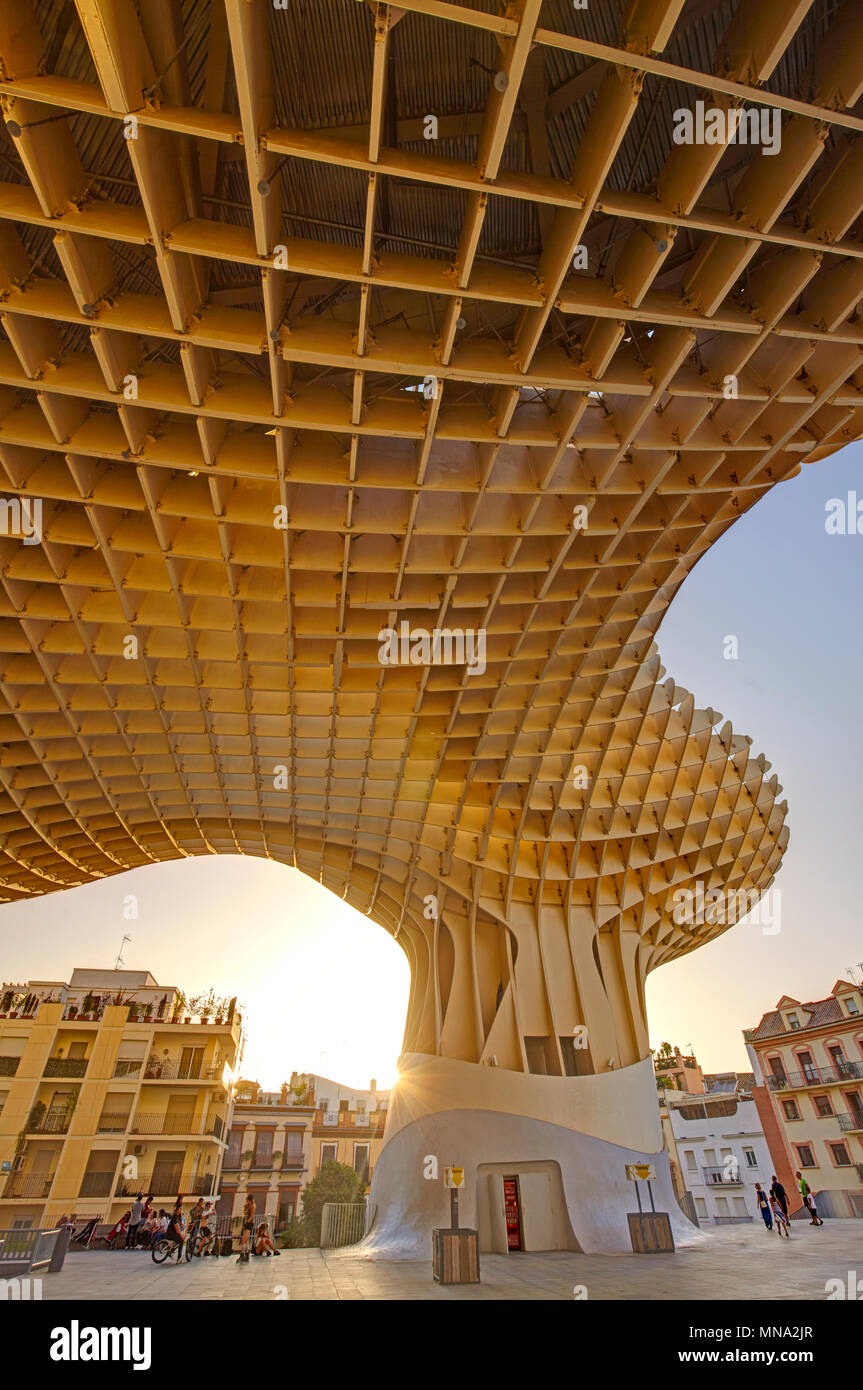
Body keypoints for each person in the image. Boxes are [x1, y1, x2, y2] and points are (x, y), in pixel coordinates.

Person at [237, 1194, 255, 1264]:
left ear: (249, 1200)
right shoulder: (247, 1206)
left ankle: (242, 1253)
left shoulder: (253, 1206)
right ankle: (246, 1254)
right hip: (246, 1223)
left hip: (249, 1223)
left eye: (247, 1199)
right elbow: (245, 1214)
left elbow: (252, 1215)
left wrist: (247, 1222)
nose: (246, 1201)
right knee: (245, 1239)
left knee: (244, 1239)